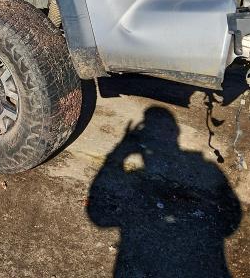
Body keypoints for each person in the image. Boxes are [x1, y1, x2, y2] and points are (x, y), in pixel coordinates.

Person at [86, 106, 241, 277]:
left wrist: (119, 153)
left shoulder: (138, 182)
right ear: (176, 133)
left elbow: (98, 214)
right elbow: (230, 223)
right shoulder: (207, 169)